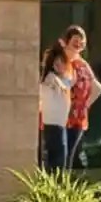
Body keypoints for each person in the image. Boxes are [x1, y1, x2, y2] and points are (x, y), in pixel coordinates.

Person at [61, 26, 101, 170]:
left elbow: (98, 88)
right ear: (67, 41)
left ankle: (64, 185)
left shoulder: (82, 64)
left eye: (82, 41)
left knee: (71, 155)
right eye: (75, 40)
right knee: (60, 154)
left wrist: (85, 105)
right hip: (60, 115)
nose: (79, 43)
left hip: (78, 116)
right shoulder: (60, 60)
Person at [38, 41, 74, 171]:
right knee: (56, 163)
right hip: (52, 125)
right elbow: (57, 83)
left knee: (60, 163)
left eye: (62, 62)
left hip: (60, 125)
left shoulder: (67, 79)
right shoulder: (50, 79)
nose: (59, 66)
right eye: (56, 63)